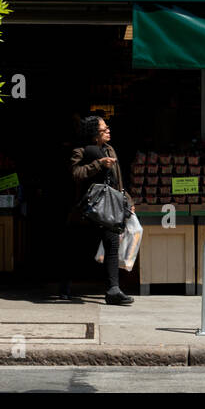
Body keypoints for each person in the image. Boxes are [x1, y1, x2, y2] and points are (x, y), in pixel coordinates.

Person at [68, 115, 134, 306]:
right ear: (94, 134)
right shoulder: (79, 151)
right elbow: (76, 174)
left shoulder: (110, 149)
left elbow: (117, 179)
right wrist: (98, 164)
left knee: (112, 244)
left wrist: (126, 199)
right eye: (104, 129)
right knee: (76, 248)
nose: (108, 131)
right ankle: (64, 285)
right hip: (87, 210)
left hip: (109, 208)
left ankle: (113, 289)